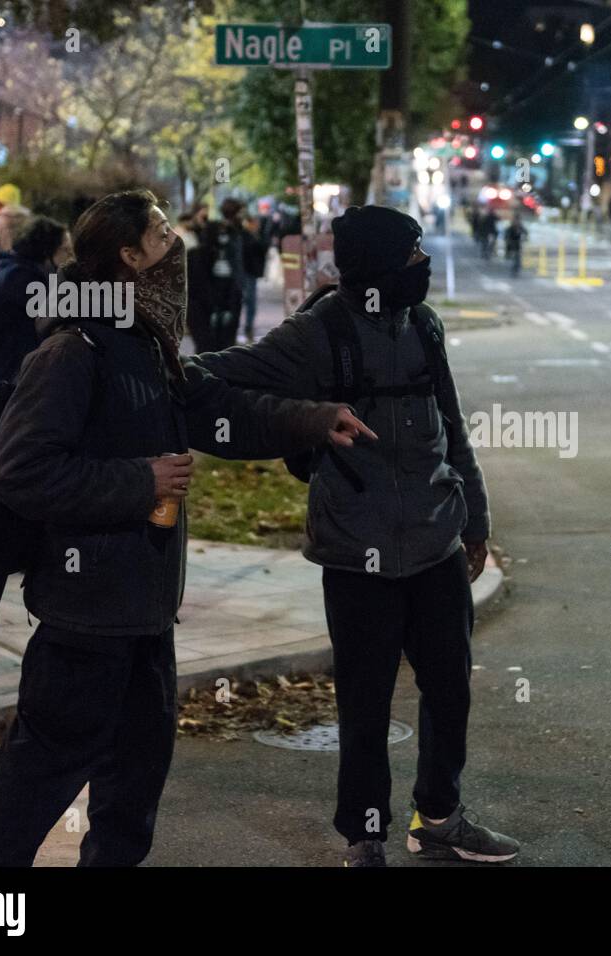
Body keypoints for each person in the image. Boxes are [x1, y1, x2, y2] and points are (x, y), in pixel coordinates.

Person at [0, 189, 374, 867]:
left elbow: (221, 408)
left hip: (146, 619)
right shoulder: (74, 351)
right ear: (128, 259)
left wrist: (311, 419)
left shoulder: (146, 347)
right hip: (83, 622)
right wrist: (140, 483)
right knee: (33, 789)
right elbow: (19, 471)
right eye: (159, 236)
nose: (174, 244)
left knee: (132, 794)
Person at [190, 205, 518, 868]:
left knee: (450, 689)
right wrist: (305, 418)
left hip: (436, 543)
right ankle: (364, 836)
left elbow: (452, 426)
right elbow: (202, 376)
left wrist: (475, 521)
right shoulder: (318, 333)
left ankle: (439, 816)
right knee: (365, 705)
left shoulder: (422, 325)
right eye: (412, 255)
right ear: (374, 265)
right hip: (355, 551)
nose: (422, 266)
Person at [0, 215, 72, 396]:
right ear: (46, 251)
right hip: (6, 384)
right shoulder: (22, 280)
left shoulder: (14, 272)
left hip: (1, 379)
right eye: (65, 250)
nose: (70, 256)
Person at [194, 197, 245, 351]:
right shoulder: (220, 232)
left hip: (227, 286)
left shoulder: (233, 231)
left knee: (224, 330)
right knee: (219, 331)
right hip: (219, 287)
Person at [241, 214, 269, 342]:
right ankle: (248, 326)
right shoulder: (246, 236)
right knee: (249, 301)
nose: (257, 226)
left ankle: (249, 326)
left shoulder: (253, 235)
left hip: (250, 272)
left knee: (250, 302)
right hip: (247, 271)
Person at [504, 211, 528, 277]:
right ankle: (513, 271)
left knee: (518, 259)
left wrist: (525, 238)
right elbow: (507, 235)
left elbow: (525, 232)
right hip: (512, 245)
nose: (517, 222)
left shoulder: (520, 227)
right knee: (514, 259)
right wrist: (508, 241)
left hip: (517, 245)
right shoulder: (511, 227)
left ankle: (516, 270)